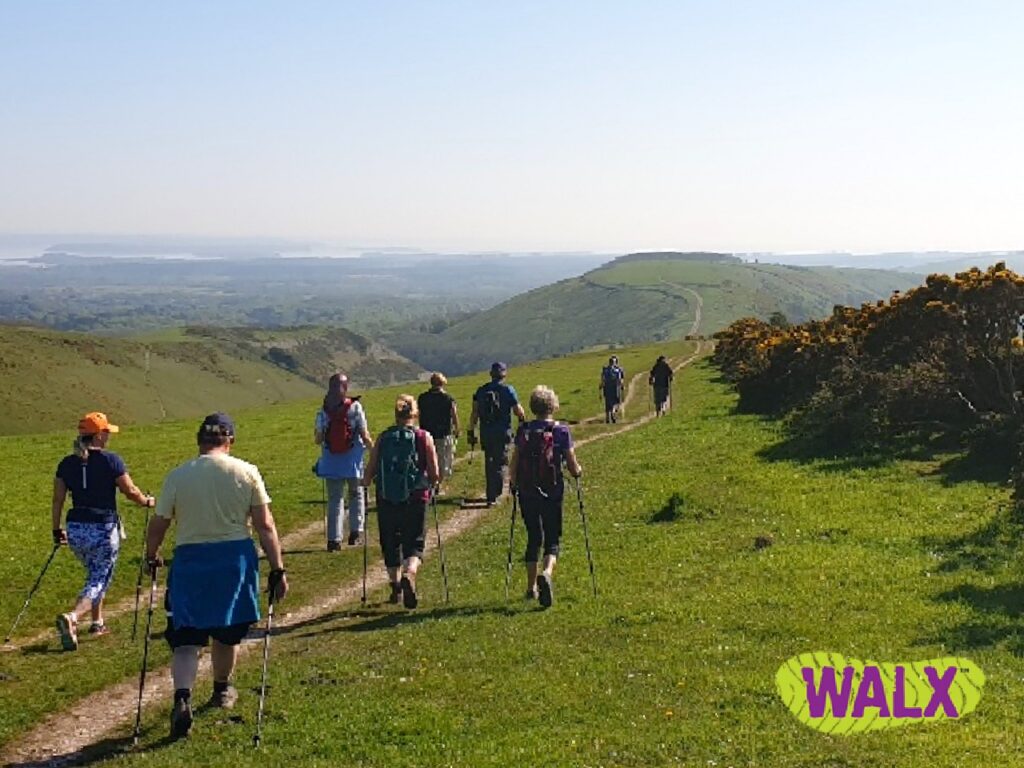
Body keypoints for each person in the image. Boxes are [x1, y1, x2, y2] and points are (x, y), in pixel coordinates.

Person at [146, 413, 288, 740]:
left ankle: (182, 697)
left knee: (185, 637)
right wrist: (278, 567)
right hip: (233, 558)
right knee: (226, 633)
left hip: (190, 558)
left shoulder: (178, 475)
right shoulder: (247, 472)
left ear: (199, 442)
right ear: (230, 441)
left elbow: (160, 522)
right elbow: (265, 525)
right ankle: (222, 689)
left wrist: (152, 554)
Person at [51, 412, 155, 650]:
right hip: (103, 528)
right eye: (106, 432)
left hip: (76, 527)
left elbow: (57, 500)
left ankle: (97, 622)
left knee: (96, 572)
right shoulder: (111, 461)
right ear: (98, 436)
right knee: (99, 577)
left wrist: (56, 528)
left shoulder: (67, 463)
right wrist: (147, 501)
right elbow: (129, 490)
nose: (109, 436)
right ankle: (74, 617)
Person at [362, 396, 440, 609]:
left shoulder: (384, 437)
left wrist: (365, 482)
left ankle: (396, 586)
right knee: (414, 541)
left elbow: (370, 470)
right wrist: (432, 483)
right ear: (415, 414)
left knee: (390, 541)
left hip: (386, 498)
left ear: (396, 414)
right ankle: (410, 573)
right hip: (416, 497)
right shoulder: (424, 437)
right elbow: (434, 472)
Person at [509, 386, 582, 608]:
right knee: (552, 537)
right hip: (553, 490)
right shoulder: (561, 431)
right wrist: (578, 471)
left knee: (533, 536)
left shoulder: (524, 431)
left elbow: (515, 461)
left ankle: (531, 587)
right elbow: (571, 464)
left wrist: (513, 484)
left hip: (528, 490)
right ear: (553, 406)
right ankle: (547, 572)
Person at [314, 373, 374, 550]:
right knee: (356, 494)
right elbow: (364, 434)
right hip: (353, 460)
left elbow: (318, 439)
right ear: (346, 387)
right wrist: (374, 451)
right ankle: (356, 533)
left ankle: (334, 540)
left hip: (331, 461)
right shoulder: (355, 407)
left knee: (335, 499)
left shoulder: (324, 410)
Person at [468, 362, 526, 505]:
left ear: (491, 374)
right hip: (502, 431)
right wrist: (522, 422)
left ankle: (490, 493)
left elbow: (474, 413)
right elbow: (518, 411)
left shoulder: (481, 391)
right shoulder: (508, 390)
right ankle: (495, 495)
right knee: (500, 461)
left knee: (489, 461)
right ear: (504, 374)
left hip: (486, 432)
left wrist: (471, 430)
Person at [417, 372, 459, 493]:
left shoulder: (422, 397)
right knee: (442, 459)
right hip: (443, 433)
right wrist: (457, 429)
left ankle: (428, 482)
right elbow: (454, 415)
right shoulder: (448, 399)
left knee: (427, 459)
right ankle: (437, 484)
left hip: (426, 433)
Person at [599, 355, 625, 423]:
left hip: (607, 388)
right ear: (615, 362)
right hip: (615, 388)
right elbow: (620, 379)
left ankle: (607, 417)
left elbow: (602, 380)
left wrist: (601, 387)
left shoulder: (605, 370)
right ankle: (613, 413)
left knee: (607, 403)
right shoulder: (618, 370)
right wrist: (622, 386)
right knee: (616, 403)